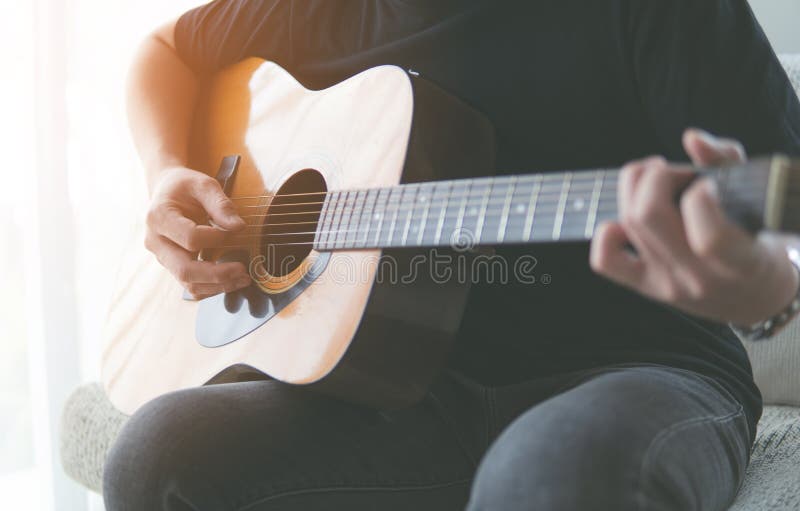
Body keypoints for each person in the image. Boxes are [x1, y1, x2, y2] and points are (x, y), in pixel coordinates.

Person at [103, 1, 800, 510]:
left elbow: (782, 227)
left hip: (640, 370)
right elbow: (164, 51)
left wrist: (764, 293)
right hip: (399, 394)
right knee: (154, 455)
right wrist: (164, 169)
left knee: (544, 473)